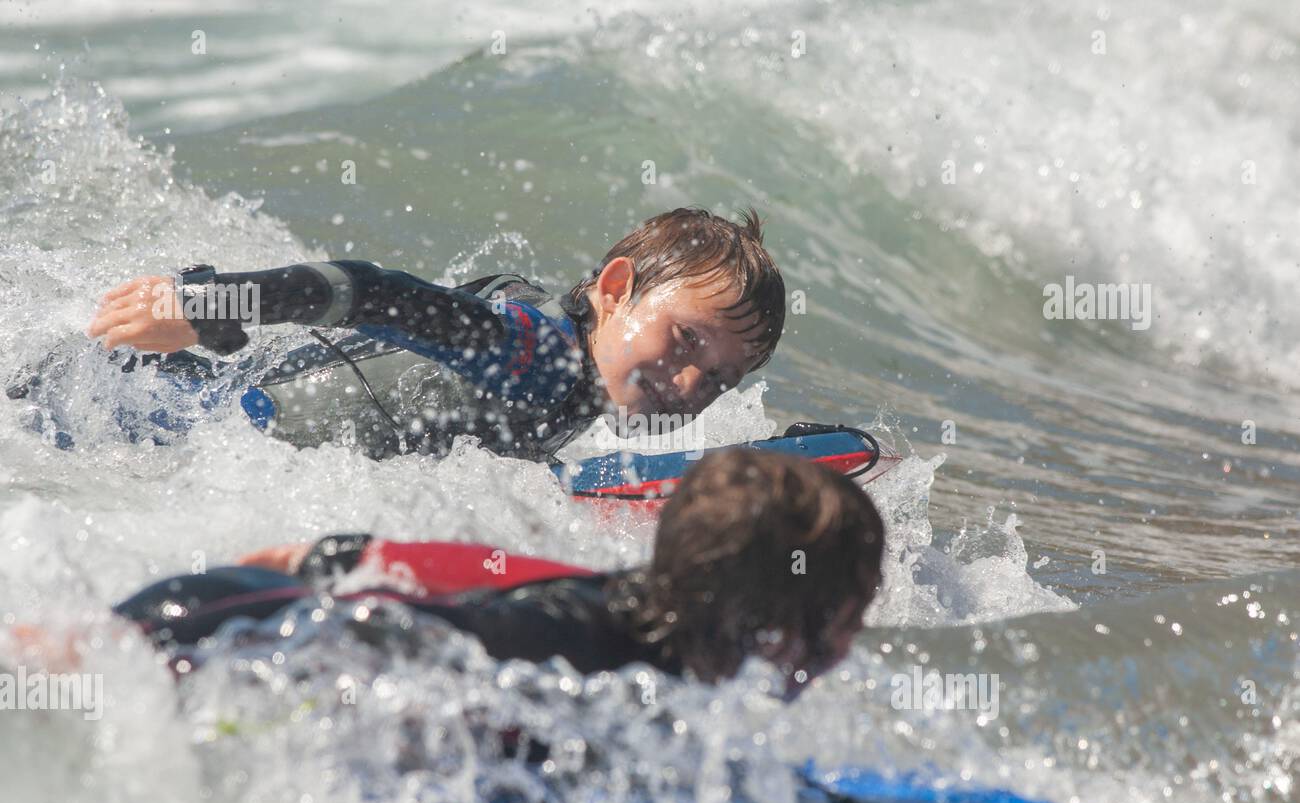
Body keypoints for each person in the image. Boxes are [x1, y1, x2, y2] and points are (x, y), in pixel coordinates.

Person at [10, 208, 786, 461]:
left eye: (718, 378)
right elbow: (375, 293)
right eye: (686, 340)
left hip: (211, 405)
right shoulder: (536, 354)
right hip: (162, 421)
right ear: (615, 290)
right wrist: (214, 303)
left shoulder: (564, 354)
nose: (689, 383)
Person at [115, 448, 886, 692]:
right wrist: (132, 655)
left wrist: (338, 556)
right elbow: (370, 628)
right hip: (205, 622)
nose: (852, 642)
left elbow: (506, 570)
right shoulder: (592, 653)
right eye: (853, 608)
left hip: (254, 592)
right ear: (784, 618)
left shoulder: (664, 615)